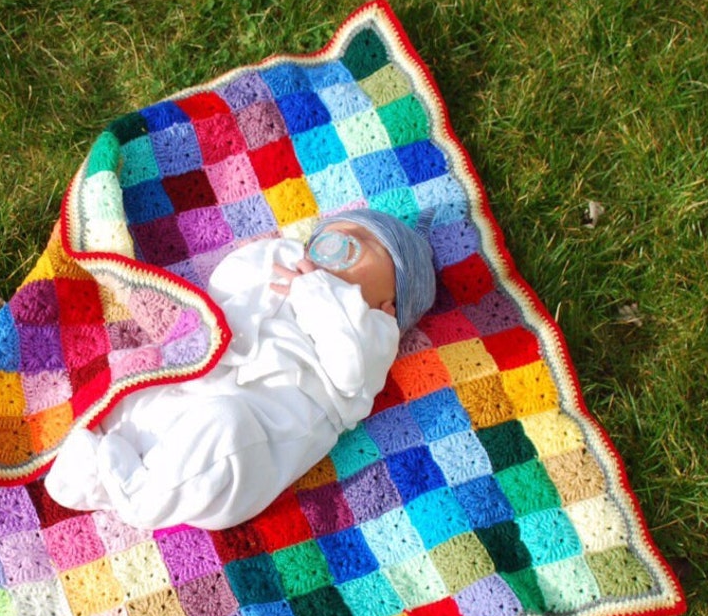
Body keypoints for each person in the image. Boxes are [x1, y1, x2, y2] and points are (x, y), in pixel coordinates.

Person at [44, 208, 436, 531]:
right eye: (335, 229)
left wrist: (317, 291)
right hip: (203, 378)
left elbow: (350, 369)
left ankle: (140, 498)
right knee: (143, 386)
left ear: (391, 302)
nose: (340, 237)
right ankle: (90, 473)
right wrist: (267, 260)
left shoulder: (375, 327)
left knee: (225, 424)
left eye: (365, 243)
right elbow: (223, 286)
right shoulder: (284, 264)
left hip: (256, 439)